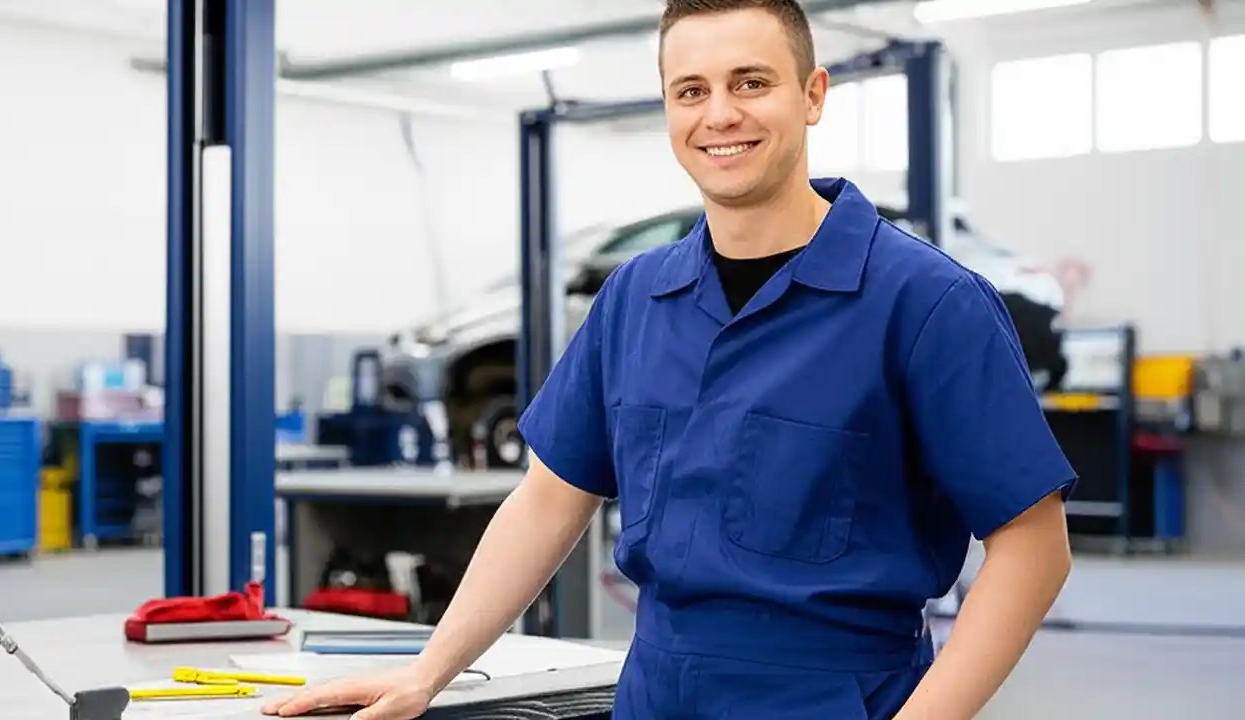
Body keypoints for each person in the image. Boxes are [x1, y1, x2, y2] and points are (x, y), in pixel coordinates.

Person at [262, 1, 1076, 717]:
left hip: (833, 695)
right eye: (692, 91)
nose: (720, 114)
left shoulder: (927, 302)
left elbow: (1033, 546)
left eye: (751, 82)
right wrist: (427, 671)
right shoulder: (635, 298)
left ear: (813, 94)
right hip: (652, 692)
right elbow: (550, 497)